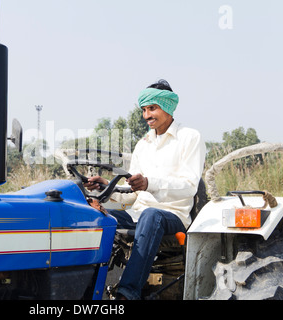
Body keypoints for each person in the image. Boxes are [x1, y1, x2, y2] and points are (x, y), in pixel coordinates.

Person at [84, 79, 206, 300]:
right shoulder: (143, 144)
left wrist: (150, 183)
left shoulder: (190, 138)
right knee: (95, 217)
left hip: (173, 215)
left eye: (152, 108)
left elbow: (189, 187)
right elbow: (133, 192)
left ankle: (126, 294)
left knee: (151, 216)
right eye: (143, 110)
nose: (146, 115)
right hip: (138, 214)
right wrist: (106, 187)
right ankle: (88, 289)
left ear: (168, 107)